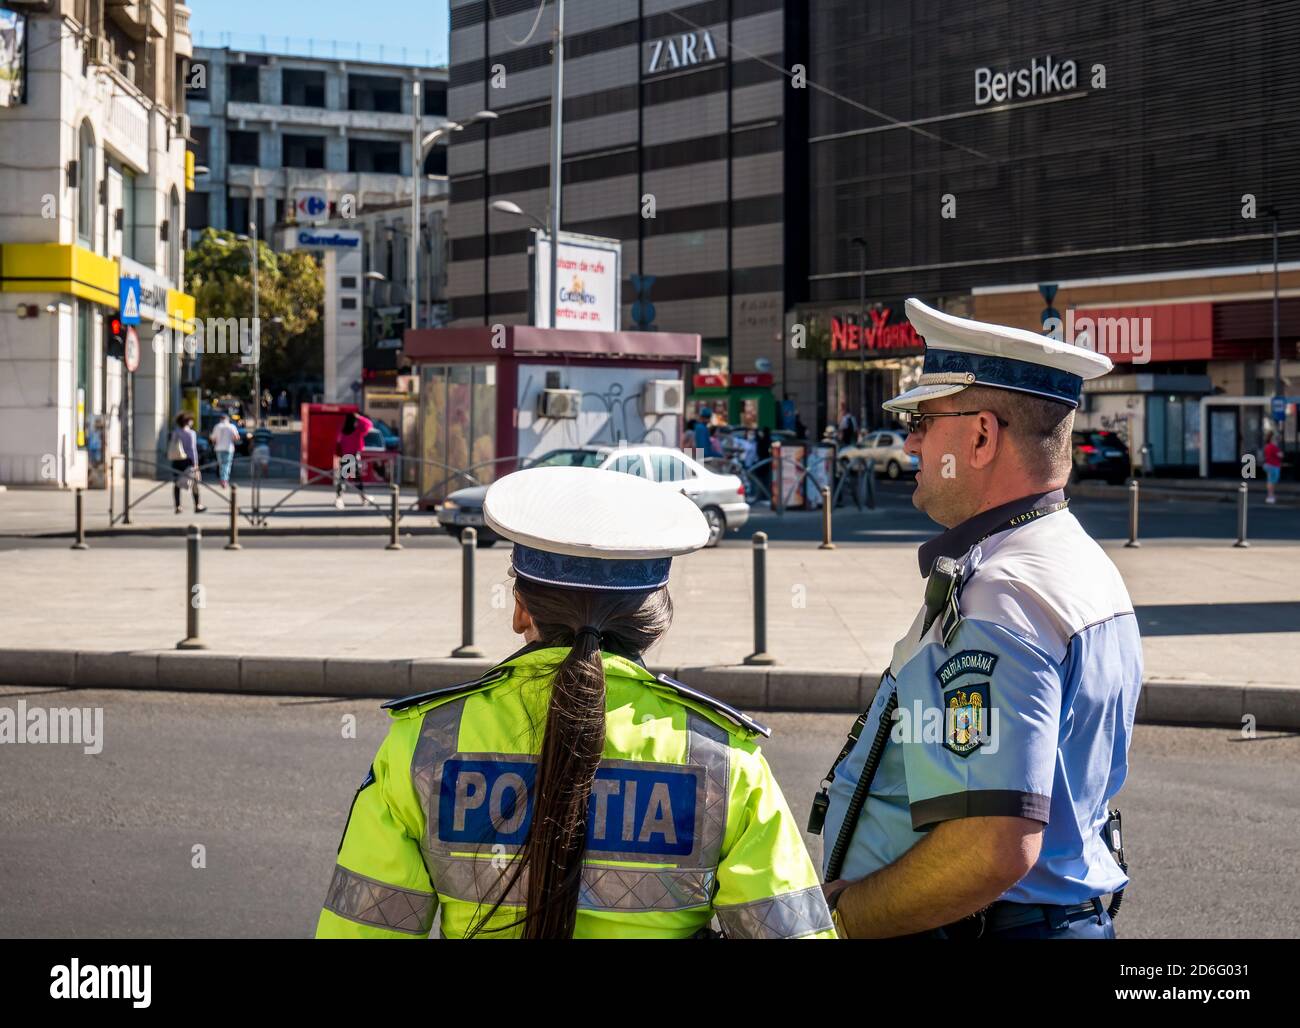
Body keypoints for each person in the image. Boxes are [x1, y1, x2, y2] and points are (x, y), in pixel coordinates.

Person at [315, 466, 835, 939]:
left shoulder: (423, 744)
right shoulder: (724, 760)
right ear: (653, 622)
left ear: (520, 609)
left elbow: (359, 929)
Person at [814, 298, 1140, 940]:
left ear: (983, 436)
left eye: (924, 420)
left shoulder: (1002, 594)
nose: (910, 441)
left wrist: (840, 922)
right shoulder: (1073, 558)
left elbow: (991, 845)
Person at [166, 413, 206, 514]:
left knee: (176, 484)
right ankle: (197, 505)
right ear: (187, 421)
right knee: (194, 483)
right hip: (188, 461)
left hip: (177, 460)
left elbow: (172, 444)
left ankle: (178, 506)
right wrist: (196, 464)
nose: (192, 422)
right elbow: (192, 449)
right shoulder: (191, 433)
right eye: (191, 420)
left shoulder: (175, 432)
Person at [334, 410, 373, 508]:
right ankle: (340, 499)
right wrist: (359, 417)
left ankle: (341, 498)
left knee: (346, 479)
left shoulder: (342, 432)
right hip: (353, 456)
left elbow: (338, 444)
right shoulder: (357, 431)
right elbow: (369, 424)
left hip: (345, 457)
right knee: (353, 480)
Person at [209, 412, 240, 488]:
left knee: (221, 465)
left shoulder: (217, 426)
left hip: (219, 448)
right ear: (228, 419)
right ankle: (224, 480)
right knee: (227, 465)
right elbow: (237, 437)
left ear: (220, 419)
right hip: (229, 448)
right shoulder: (232, 426)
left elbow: (213, 438)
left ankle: (223, 480)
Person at [1264, 431, 1283, 504]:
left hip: (1269, 465)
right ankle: (1270, 496)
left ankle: (1271, 495)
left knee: (1270, 481)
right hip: (1273, 465)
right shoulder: (1273, 447)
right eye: (1276, 439)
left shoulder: (1267, 446)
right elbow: (1280, 455)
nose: (1277, 441)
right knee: (1272, 482)